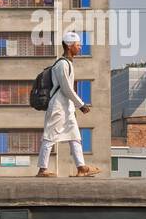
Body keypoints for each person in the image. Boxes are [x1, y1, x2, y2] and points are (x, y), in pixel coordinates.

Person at [36, 32, 100, 178]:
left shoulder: (68, 63)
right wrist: (81, 104)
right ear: (70, 46)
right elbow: (66, 88)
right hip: (58, 107)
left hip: (66, 107)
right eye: (78, 45)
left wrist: (73, 106)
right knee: (50, 137)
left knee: (75, 136)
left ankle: (81, 167)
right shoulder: (62, 64)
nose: (80, 47)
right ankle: (42, 169)